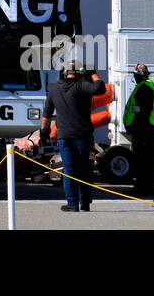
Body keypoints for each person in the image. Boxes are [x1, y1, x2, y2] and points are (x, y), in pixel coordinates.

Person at [40, 63, 106, 212]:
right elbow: (100, 88)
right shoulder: (82, 85)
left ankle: (72, 204)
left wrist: (43, 133)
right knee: (85, 169)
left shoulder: (54, 89)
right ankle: (85, 202)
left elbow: (46, 115)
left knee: (69, 170)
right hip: (83, 137)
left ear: (64, 73)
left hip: (64, 137)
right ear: (80, 73)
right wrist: (93, 73)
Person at [123, 62, 154, 197]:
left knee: (143, 160)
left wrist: (135, 127)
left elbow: (143, 111)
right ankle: (145, 187)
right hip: (148, 127)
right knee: (145, 160)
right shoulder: (147, 86)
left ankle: (143, 188)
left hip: (144, 129)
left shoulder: (145, 88)